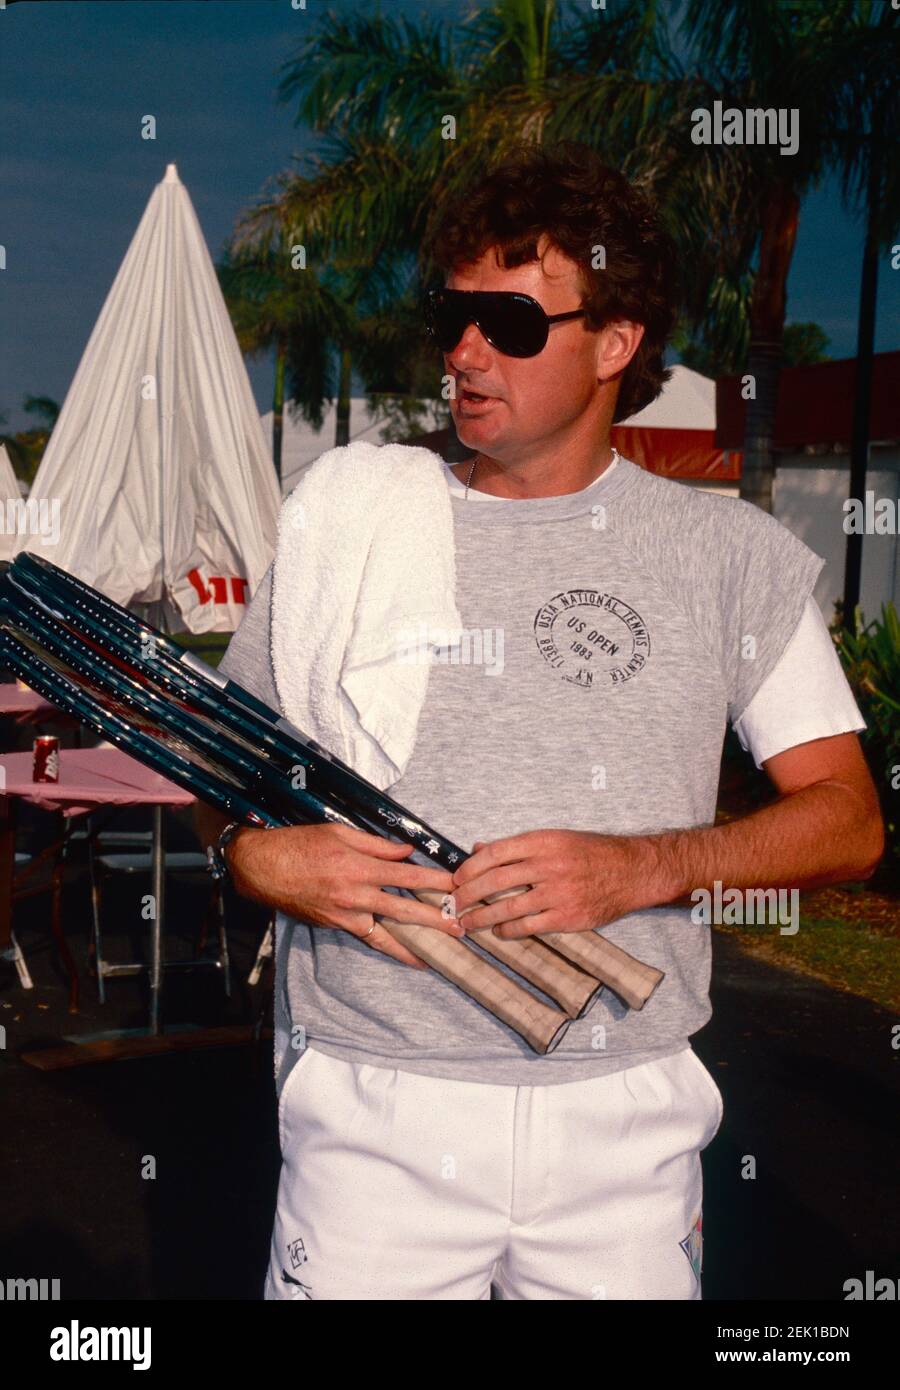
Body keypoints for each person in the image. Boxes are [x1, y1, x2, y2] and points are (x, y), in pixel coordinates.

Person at [194, 142, 883, 1301]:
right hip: (374, 1103)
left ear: (615, 345)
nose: (464, 351)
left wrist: (648, 866)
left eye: (509, 322)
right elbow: (227, 775)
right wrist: (258, 855)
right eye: (452, 315)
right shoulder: (345, 527)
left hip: (624, 1112)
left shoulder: (727, 557)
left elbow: (849, 822)